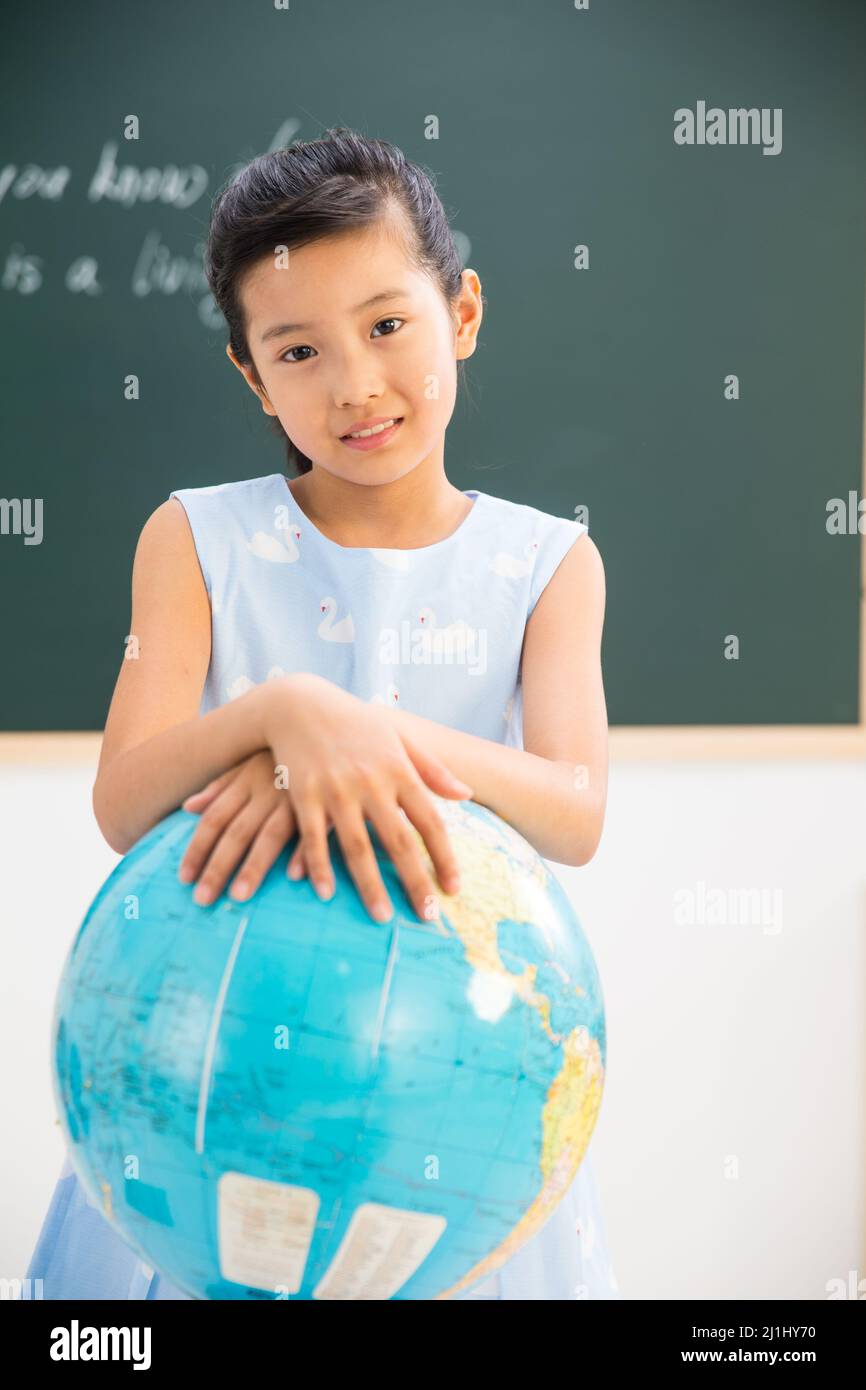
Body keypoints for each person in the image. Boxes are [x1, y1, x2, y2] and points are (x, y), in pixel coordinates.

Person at [25, 128, 619, 1301]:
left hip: (457, 1098)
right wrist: (282, 706)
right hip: (214, 1097)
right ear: (253, 376)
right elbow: (123, 794)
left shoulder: (549, 561)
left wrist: (352, 734)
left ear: (461, 313)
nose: (352, 383)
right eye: (297, 350)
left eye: (387, 324)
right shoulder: (192, 537)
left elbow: (573, 809)